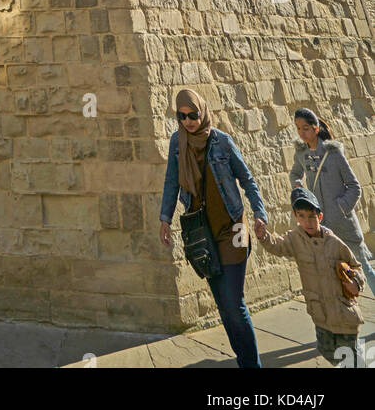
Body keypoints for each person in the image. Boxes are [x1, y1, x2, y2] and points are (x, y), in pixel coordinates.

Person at [159, 88, 268, 368]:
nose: (188, 122)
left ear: (202, 112)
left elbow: (247, 179)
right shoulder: (176, 143)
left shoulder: (222, 141)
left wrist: (259, 214)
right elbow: (172, 183)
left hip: (233, 228)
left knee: (234, 303)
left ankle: (251, 365)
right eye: (181, 117)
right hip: (202, 234)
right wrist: (165, 219)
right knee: (223, 306)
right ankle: (245, 359)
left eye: (192, 115)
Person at [254, 187, 365, 367]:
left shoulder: (334, 243)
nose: (307, 222)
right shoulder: (294, 239)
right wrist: (263, 236)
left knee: (350, 361)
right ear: (296, 217)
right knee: (327, 350)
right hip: (320, 314)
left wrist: (356, 284)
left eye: (312, 216)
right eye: (302, 216)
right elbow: (278, 246)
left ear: (319, 217)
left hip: (343, 313)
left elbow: (356, 267)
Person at [290, 107, 375, 298]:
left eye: (305, 128)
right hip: (320, 226)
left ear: (316, 128)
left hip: (343, 224)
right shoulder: (301, 154)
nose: (301, 133)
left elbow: (354, 186)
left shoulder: (334, 154)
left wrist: (340, 207)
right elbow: (295, 173)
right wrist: (297, 184)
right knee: (333, 273)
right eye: (298, 128)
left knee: (362, 267)